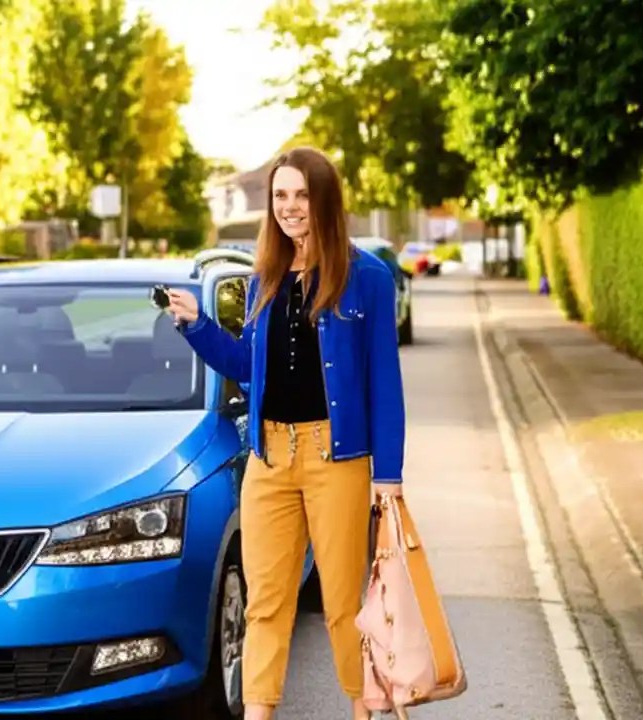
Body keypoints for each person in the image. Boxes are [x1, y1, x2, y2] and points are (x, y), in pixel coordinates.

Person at [163, 147, 406, 720]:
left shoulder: (365, 277)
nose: (290, 207)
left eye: (301, 195)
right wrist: (196, 326)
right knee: (265, 603)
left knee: (346, 604)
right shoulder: (264, 277)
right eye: (280, 197)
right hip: (269, 460)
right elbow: (250, 364)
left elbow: (385, 384)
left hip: (336, 458)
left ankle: (363, 709)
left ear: (323, 200)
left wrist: (388, 476)